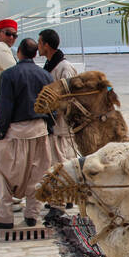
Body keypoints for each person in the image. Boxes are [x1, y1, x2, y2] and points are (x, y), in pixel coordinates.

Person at [0, 38, 57, 229]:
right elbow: (53, 106)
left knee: (3, 172)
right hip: (40, 130)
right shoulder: (45, 76)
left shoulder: (9, 75)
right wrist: (49, 127)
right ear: (35, 54)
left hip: (15, 131)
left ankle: (5, 217)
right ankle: (32, 214)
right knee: (38, 176)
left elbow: (5, 107)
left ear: (19, 54)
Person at [37, 28, 79, 164]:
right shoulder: (49, 66)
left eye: (39, 43)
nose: (38, 46)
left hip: (63, 130)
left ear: (46, 45)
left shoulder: (65, 68)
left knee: (65, 165)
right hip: (53, 128)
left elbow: (71, 98)